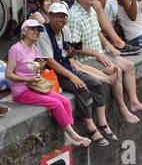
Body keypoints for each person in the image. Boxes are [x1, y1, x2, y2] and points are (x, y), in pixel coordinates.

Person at [66, 0, 142, 122]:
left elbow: (97, 32)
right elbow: (75, 47)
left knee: (129, 66)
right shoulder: (74, 17)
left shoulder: (91, 10)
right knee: (116, 71)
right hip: (85, 59)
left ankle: (134, 102)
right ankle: (122, 108)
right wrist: (97, 54)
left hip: (99, 53)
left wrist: (108, 44)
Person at [36, 1, 116, 145]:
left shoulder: (65, 30)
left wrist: (71, 54)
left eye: (63, 16)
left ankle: (102, 123)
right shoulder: (44, 33)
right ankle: (90, 126)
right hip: (53, 73)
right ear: (50, 16)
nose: (61, 20)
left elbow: (66, 55)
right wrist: (71, 75)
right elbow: (50, 61)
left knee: (96, 84)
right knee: (82, 88)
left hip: (66, 67)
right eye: (57, 16)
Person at [4, 17, 88, 147]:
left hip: (35, 86)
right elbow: (8, 74)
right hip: (22, 91)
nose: (36, 32)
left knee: (64, 101)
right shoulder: (16, 49)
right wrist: (27, 79)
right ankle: (73, 134)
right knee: (55, 104)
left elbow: (33, 71)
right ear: (24, 31)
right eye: (32, 29)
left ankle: (67, 137)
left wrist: (40, 67)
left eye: (38, 30)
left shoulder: (35, 49)